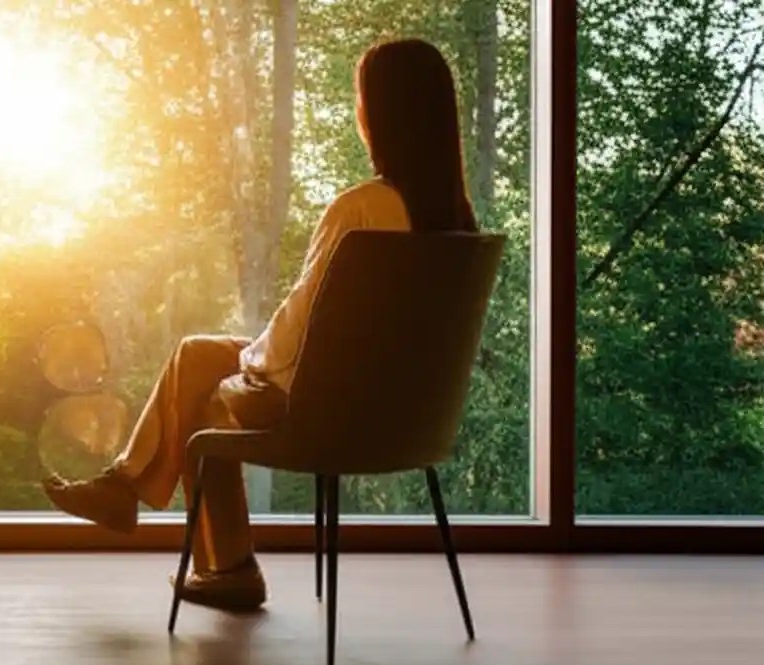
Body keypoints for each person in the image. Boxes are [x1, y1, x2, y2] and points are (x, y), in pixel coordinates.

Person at [43, 38, 479, 611]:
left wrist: (249, 364)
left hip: (326, 409)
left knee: (199, 400)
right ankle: (127, 488)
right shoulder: (458, 223)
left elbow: (303, 322)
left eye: (361, 99)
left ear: (382, 113)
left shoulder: (363, 208)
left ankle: (219, 561)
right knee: (197, 354)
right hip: (401, 414)